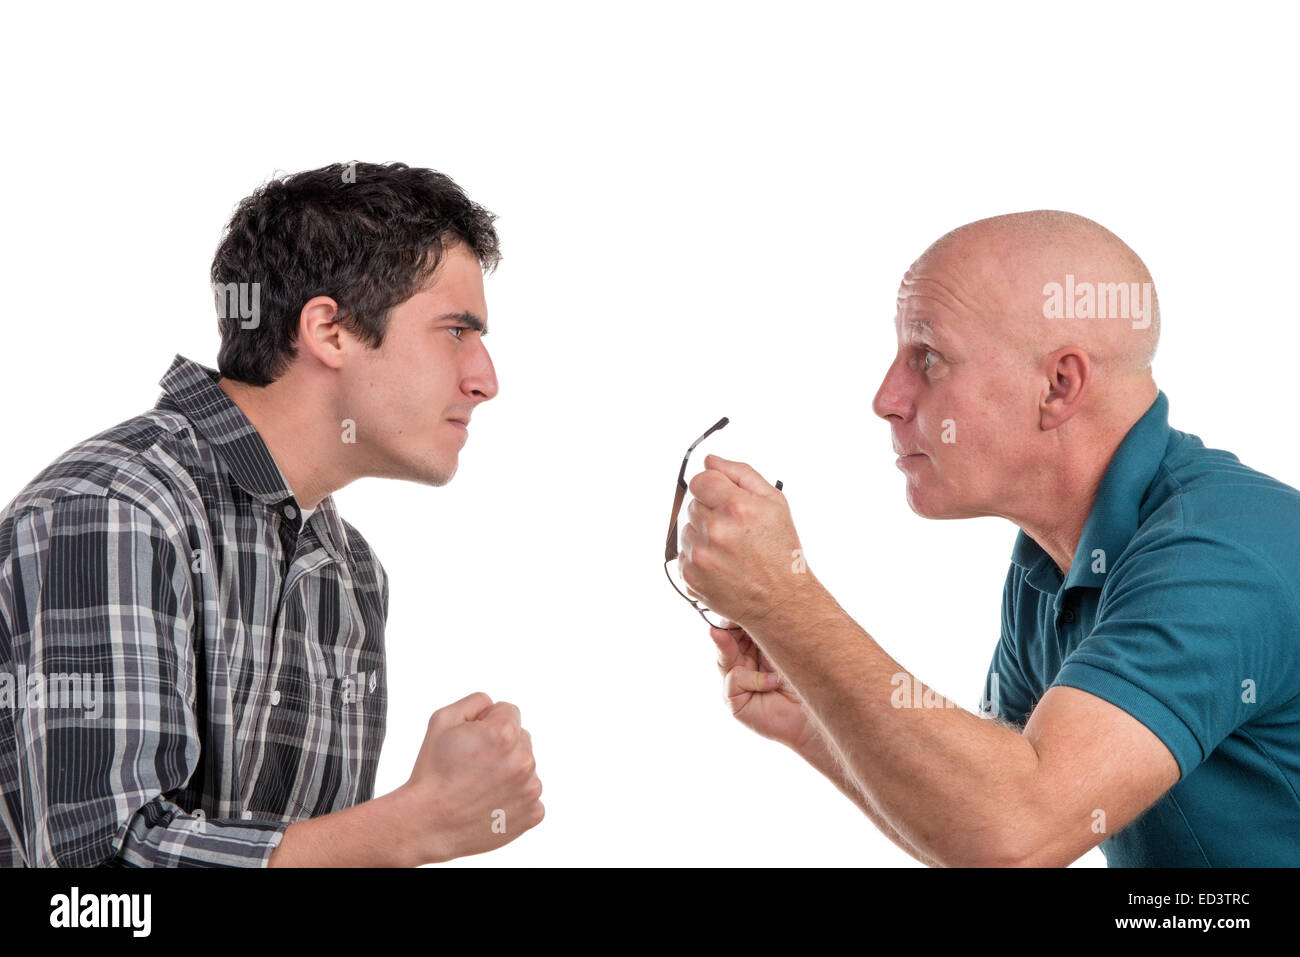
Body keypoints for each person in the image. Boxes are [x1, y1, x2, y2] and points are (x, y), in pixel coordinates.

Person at [680, 210, 1300, 866]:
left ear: (1059, 386)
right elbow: (974, 814)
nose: (886, 397)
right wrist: (816, 720)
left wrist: (786, 600)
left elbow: (1014, 834)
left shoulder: (1219, 559)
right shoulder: (1050, 561)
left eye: (928, 358)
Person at [0, 161, 543, 867]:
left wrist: (409, 826)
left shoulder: (350, 574)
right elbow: (96, 887)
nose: (484, 379)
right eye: (453, 331)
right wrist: (416, 824)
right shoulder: (113, 510)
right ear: (330, 331)